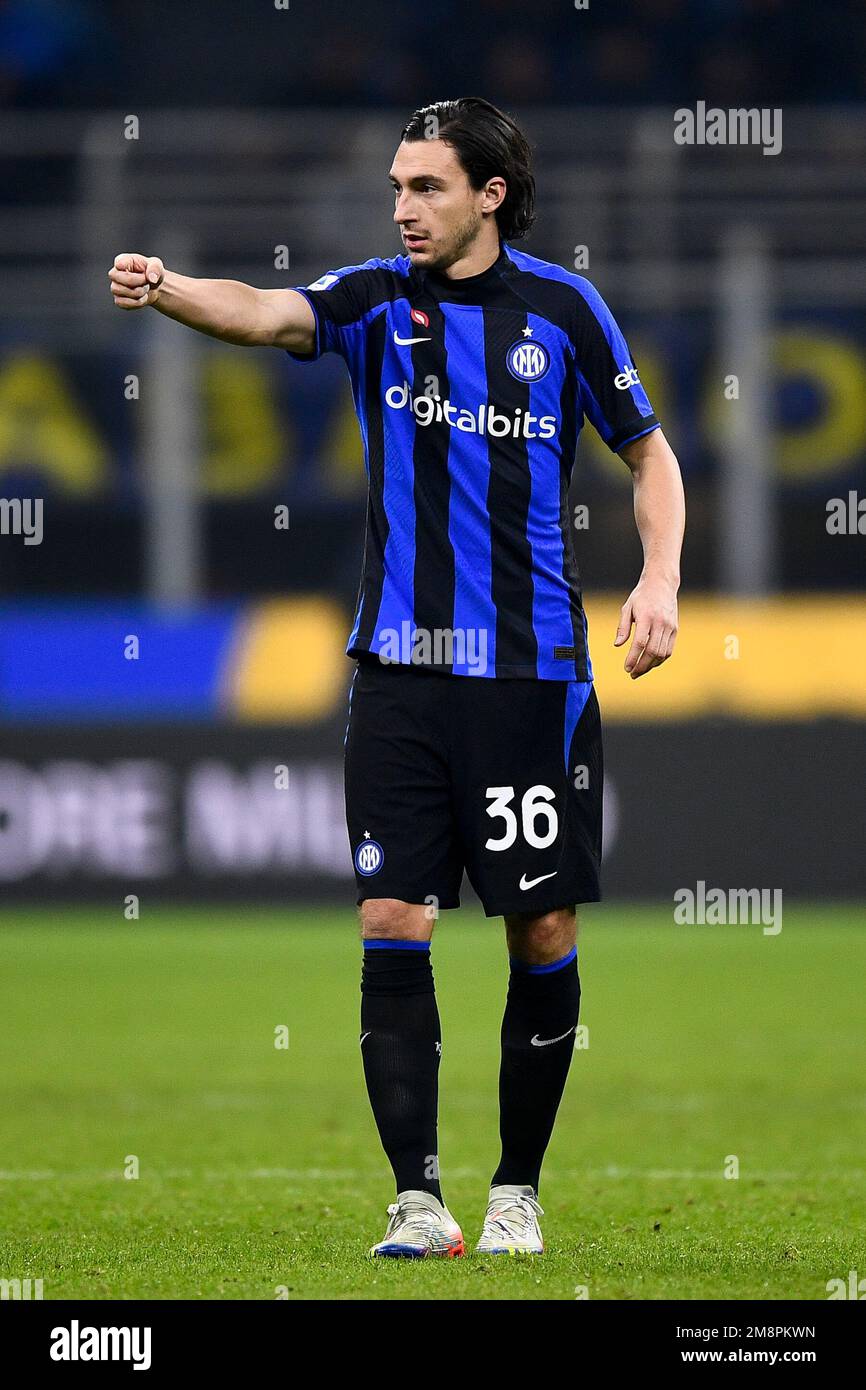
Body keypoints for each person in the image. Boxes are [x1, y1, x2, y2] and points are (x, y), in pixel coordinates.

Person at [109, 96, 685, 1259]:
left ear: (490, 194)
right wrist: (172, 290)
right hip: (397, 674)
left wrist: (658, 575)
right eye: (394, 187)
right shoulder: (378, 299)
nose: (401, 208)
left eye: (424, 186)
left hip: (529, 675)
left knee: (540, 926)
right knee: (389, 915)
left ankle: (515, 1190)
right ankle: (417, 1197)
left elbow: (649, 453)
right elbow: (270, 313)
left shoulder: (563, 312)